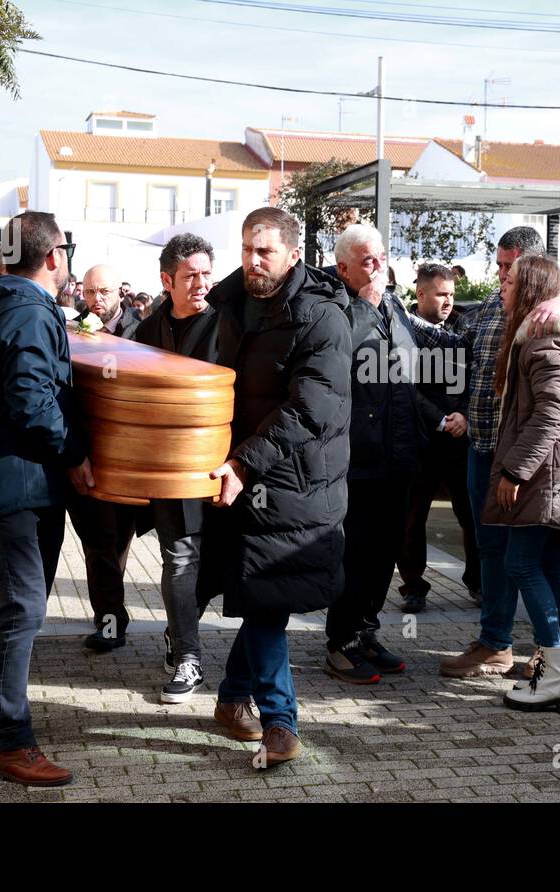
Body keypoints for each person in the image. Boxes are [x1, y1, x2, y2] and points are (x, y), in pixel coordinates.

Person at [407, 227, 560, 680]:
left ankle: (555, 656)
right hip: (485, 446)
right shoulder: (492, 307)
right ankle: (499, 643)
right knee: (493, 550)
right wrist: (399, 318)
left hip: (531, 460)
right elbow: (456, 350)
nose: (501, 276)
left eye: (509, 269)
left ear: (533, 268)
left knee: (533, 558)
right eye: (500, 266)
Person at [204, 207, 350, 769]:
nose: (252, 260)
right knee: (261, 596)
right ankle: (232, 698)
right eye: (246, 248)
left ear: (293, 253)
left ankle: (279, 722)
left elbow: (312, 407)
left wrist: (246, 462)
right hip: (239, 476)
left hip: (294, 481)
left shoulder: (320, 315)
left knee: (264, 599)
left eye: (264, 250)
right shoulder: (228, 305)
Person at [0, 211, 91, 787]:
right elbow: (32, 401)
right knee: (25, 607)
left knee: (14, 603)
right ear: (55, 256)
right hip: (15, 481)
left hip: (6, 480)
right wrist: (73, 453)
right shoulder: (32, 314)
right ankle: (10, 743)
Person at [480, 255, 560, 711]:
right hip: (558, 474)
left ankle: (555, 671)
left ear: (532, 290)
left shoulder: (545, 345)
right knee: (553, 563)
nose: (502, 284)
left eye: (510, 279)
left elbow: (553, 412)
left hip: (544, 475)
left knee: (520, 564)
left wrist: (516, 471)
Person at [324, 223, 438, 684]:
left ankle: (366, 631)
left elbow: (413, 375)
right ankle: (341, 642)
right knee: (355, 554)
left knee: (386, 552)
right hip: (358, 461)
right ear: (343, 267)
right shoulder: (336, 311)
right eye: (366, 259)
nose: (377, 264)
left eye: (382, 256)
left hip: (400, 458)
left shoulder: (394, 307)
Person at [132, 233, 219, 703]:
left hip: (224, 467)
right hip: (168, 470)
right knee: (181, 556)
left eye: (207, 273)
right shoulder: (146, 332)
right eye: (191, 275)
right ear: (167, 280)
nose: (201, 283)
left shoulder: (229, 325)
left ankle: (178, 627)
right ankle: (189, 657)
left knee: (215, 562)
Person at [67, 262, 143, 652]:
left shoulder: (143, 330)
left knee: (119, 542)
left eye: (106, 292)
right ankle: (110, 621)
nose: (97, 300)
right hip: (86, 453)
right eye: (91, 292)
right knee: (98, 542)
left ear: (120, 293)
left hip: (129, 455)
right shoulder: (71, 330)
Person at [398, 262, 479, 614]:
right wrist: (442, 418)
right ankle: (413, 586)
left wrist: (462, 414)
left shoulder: (466, 329)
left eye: (451, 294)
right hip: (422, 440)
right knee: (413, 518)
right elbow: (404, 386)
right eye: (441, 294)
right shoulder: (402, 330)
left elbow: (478, 376)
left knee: (471, 514)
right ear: (421, 294)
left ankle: (478, 584)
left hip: (461, 440)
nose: (448, 301)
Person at [81, 264, 140, 338]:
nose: (97, 298)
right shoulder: (70, 328)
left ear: (121, 295)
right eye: (90, 292)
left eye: (105, 291)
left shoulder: (139, 334)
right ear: (83, 295)